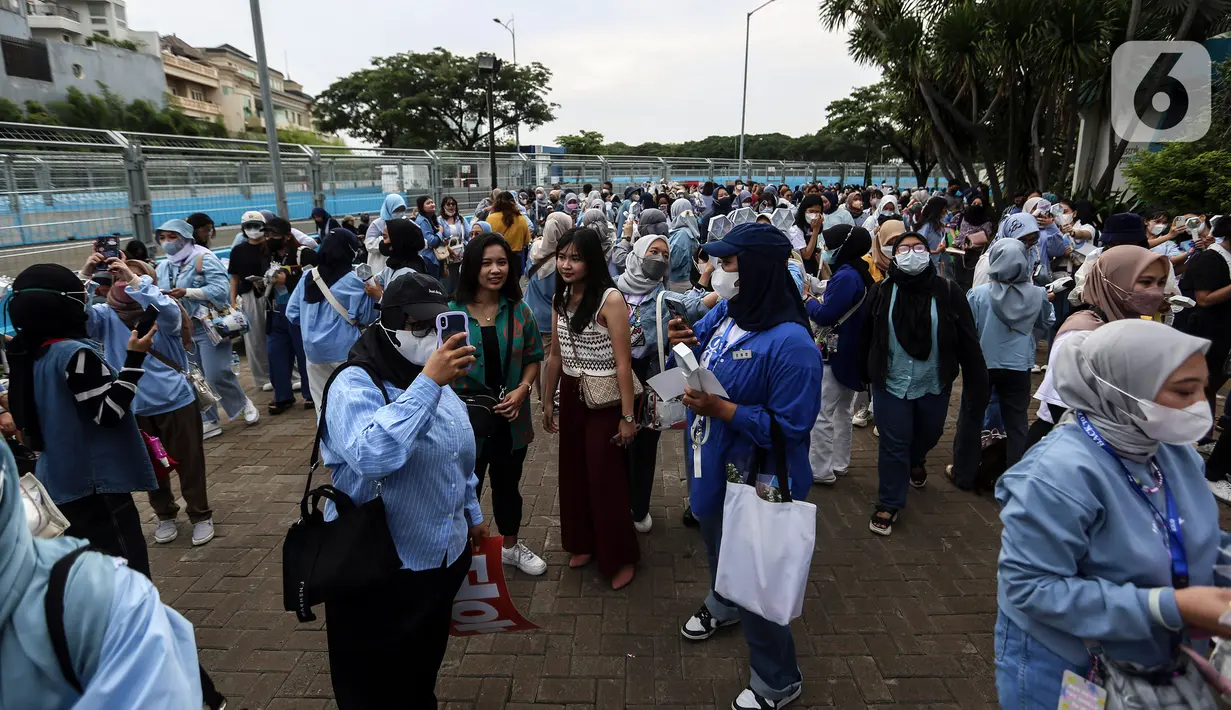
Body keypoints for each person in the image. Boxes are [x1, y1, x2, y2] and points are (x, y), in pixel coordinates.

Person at [995, 319, 1230, 707]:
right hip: (1072, 673)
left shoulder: (1172, 452)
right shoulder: (1057, 473)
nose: (1201, 406)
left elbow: (1193, 535)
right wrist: (1171, 606)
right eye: (1184, 391)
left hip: (1160, 667)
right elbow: (1031, 588)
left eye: (1204, 389)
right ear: (1124, 390)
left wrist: (1222, 570)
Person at [666, 222, 823, 710]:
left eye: (728, 264)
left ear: (755, 270)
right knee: (716, 539)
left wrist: (725, 411)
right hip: (714, 462)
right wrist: (680, 348)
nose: (716, 273)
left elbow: (791, 429)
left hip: (761, 479)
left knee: (758, 577)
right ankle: (723, 601)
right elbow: (701, 359)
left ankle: (778, 678)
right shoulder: (732, 314)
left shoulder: (792, 344)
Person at [318, 272, 485, 709]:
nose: (431, 336)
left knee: (419, 671)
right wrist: (428, 384)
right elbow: (373, 454)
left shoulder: (433, 378)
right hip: (377, 569)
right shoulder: (354, 383)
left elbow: (459, 455)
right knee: (371, 687)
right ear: (389, 327)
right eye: (418, 327)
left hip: (439, 560)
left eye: (438, 324)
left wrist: (473, 515)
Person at [0, 440, 207, 708]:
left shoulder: (101, 599)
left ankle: (197, 513)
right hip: (70, 478)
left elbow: (110, 410)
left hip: (94, 476)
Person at [8, 263, 159, 577]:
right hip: (96, 485)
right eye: (81, 295)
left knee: (87, 572)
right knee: (125, 571)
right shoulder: (75, 354)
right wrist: (134, 359)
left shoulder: (27, 352)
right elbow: (108, 413)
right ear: (66, 305)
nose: (87, 301)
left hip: (59, 479)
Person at [80, 253, 219, 547]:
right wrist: (86, 276)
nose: (122, 283)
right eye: (117, 278)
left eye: (129, 278)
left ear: (147, 282)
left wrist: (133, 279)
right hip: (134, 404)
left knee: (189, 461)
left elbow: (166, 311)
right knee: (150, 466)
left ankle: (200, 514)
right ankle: (164, 514)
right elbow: (80, 320)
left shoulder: (161, 309)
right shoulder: (105, 315)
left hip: (175, 401)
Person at [860, 231, 987, 536]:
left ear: (929, 252)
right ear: (894, 256)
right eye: (903, 248)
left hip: (934, 381)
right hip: (891, 381)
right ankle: (889, 501)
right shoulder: (882, 291)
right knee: (894, 442)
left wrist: (977, 380)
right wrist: (861, 373)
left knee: (930, 433)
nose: (911, 253)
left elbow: (967, 338)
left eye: (918, 247)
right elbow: (866, 334)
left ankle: (917, 459)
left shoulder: (948, 291)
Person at [540, 227, 640, 590]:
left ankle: (620, 556)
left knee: (604, 476)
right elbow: (554, 354)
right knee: (574, 470)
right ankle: (581, 542)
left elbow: (624, 363)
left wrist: (628, 418)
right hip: (570, 390)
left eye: (575, 258)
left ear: (591, 260)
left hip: (605, 396)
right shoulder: (560, 296)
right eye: (562, 256)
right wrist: (547, 401)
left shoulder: (610, 300)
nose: (566, 264)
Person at [448, 234, 546, 576]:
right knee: (462, 488)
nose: (495, 270)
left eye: (501, 262)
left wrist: (523, 389)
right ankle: (459, 554)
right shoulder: (451, 314)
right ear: (472, 266)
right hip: (463, 423)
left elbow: (534, 356)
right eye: (487, 263)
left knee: (508, 486)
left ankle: (510, 546)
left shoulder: (520, 312)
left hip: (510, 417)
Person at [616, 234, 714, 532]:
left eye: (664, 254)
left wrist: (719, 283)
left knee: (644, 447)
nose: (659, 258)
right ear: (637, 254)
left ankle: (639, 508)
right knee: (615, 446)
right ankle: (615, 503)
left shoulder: (664, 298)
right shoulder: (610, 291)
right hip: (612, 378)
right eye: (653, 251)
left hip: (651, 379)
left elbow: (696, 305)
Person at [1029, 245, 1170, 446]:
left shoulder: (1125, 325)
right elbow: (1060, 407)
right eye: (1145, 282)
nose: (1155, 292)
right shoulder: (1082, 335)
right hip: (1072, 447)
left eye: (1161, 283)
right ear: (1113, 282)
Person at [946, 239, 1054, 491]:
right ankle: (1014, 480)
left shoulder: (980, 294)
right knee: (1017, 424)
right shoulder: (1037, 294)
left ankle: (963, 474)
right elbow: (1046, 322)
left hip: (983, 365)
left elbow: (966, 328)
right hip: (1019, 366)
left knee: (971, 419)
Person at [154, 219, 257, 438]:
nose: (167, 243)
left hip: (208, 326)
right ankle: (209, 419)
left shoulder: (203, 258)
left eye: (172, 237)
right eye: (162, 238)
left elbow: (220, 290)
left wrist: (188, 292)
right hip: (181, 329)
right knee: (195, 377)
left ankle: (242, 402)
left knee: (216, 373)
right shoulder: (163, 266)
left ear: (185, 238)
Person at [806, 225, 873, 485]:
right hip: (853, 350)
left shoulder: (846, 276)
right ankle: (839, 462)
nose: (826, 250)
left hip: (837, 353)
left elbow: (825, 315)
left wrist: (808, 301)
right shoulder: (860, 271)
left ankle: (820, 469)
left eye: (830, 245)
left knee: (823, 412)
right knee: (843, 410)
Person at [287, 229, 379, 411]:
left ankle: (325, 438)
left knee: (323, 404)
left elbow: (292, 313)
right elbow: (369, 316)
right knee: (352, 404)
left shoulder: (307, 277)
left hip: (313, 353)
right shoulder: (353, 280)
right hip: (344, 351)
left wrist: (311, 323)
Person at [262, 217, 317, 414]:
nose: (269, 238)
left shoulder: (304, 254)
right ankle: (282, 396)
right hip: (275, 312)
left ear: (287, 236)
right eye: (266, 234)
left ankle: (311, 394)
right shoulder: (268, 256)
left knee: (303, 354)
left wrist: (290, 278)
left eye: (273, 234)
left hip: (300, 313)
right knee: (275, 354)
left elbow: (317, 279)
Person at [525, 212, 571, 402]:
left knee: (535, 358)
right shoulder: (563, 261)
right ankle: (547, 398)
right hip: (548, 318)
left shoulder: (535, 249)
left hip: (529, 310)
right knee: (548, 359)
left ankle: (540, 394)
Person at [228, 210, 273, 394]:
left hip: (272, 294)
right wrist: (232, 302)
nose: (253, 230)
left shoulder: (271, 247)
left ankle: (289, 374)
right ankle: (263, 377)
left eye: (257, 226)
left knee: (277, 335)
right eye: (249, 226)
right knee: (254, 340)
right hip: (249, 297)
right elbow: (234, 278)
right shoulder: (238, 250)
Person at [486, 191, 532, 277]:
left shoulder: (490, 219)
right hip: (516, 258)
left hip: (496, 257)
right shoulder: (521, 219)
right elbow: (526, 241)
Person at [365, 193, 407, 274]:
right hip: (380, 268)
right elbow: (369, 245)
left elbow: (421, 240)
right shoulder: (377, 224)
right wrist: (387, 238)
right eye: (396, 210)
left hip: (402, 268)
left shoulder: (406, 222)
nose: (400, 213)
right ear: (389, 208)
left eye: (402, 210)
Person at [667, 197, 701, 293]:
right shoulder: (689, 231)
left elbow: (672, 262)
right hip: (687, 280)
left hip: (678, 284)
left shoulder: (681, 235)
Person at [438, 194, 468, 295]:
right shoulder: (439, 220)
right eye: (448, 204)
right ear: (443, 206)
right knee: (447, 281)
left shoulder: (461, 219)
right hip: (446, 256)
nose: (451, 206)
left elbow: (468, 235)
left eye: (453, 204)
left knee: (459, 280)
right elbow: (438, 237)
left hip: (460, 255)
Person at [787, 194, 824, 275]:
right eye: (811, 211)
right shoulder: (796, 229)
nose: (814, 215)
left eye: (817, 212)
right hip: (801, 270)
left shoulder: (809, 227)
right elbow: (806, 255)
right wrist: (815, 231)